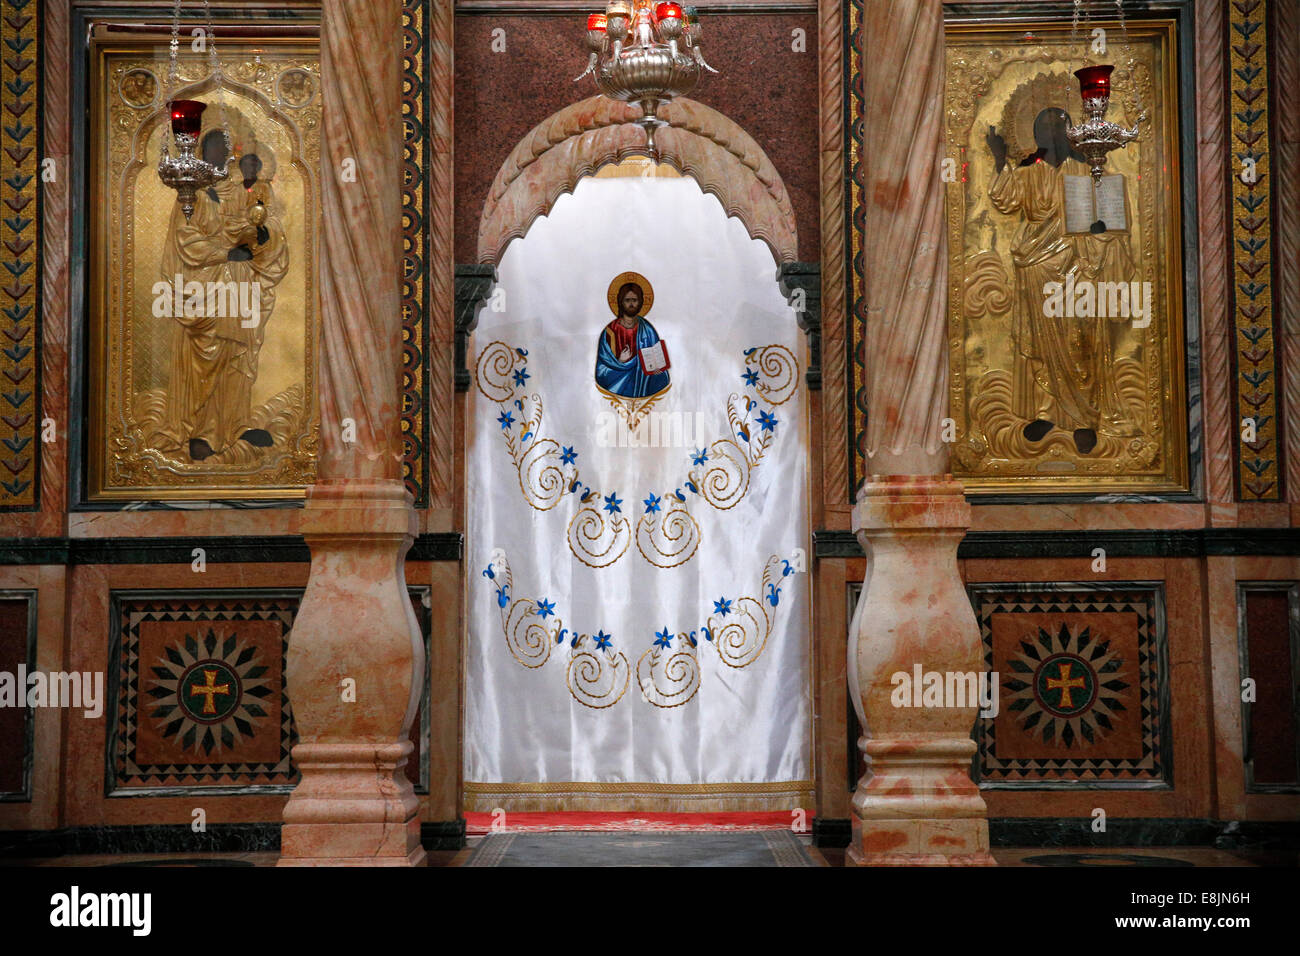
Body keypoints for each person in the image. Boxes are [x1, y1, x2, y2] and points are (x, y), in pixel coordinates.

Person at [986, 106, 1138, 455]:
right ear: (1036, 135)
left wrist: (1102, 233)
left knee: (1081, 339)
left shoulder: (1087, 171)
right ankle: (1045, 413)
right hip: (1036, 268)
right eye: (1045, 127)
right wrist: (998, 160)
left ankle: (1085, 419)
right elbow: (1004, 200)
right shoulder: (1027, 172)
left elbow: (1109, 219)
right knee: (1042, 347)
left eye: (1060, 126)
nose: (1053, 134)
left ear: (1071, 133)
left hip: (1080, 266)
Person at [159, 126, 289, 461]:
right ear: (201, 153)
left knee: (239, 355)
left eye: (223, 148)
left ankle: (236, 426)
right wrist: (224, 253)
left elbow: (260, 226)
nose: (218, 154)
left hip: (240, 282)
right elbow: (185, 239)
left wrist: (260, 234)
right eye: (211, 148)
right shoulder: (193, 194)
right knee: (210, 357)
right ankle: (200, 433)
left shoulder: (241, 191)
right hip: (208, 287)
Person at [594, 280, 670, 400]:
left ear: (640, 302)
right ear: (620, 302)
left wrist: (658, 369)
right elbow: (602, 371)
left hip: (645, 386)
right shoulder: (609, 332)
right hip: (618, 389)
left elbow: (659, 362)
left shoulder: (648, 329)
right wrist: (620, 362)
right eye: (627, 300)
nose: (631, 304)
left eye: (634, 300)